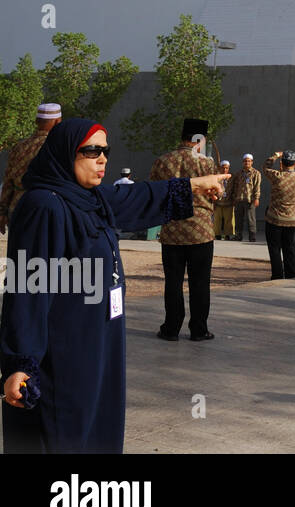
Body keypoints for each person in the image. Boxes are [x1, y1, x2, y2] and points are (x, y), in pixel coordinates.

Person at [0, 118, 227, 452]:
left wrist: (193, 184)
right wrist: (21, 363)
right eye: (91, 150)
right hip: (65, 351)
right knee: (65, 431)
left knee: (97, 430)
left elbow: (135, 196)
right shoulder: (44, 206)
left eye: (105, 150)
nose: (102, 158)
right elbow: (27, 290)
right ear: (65, 153)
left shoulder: (89, 199)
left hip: (99, 344)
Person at [150, 119, 219, 342]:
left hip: (172, 231)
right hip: (200, 231)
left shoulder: (163, 161)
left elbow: (154, 192)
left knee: (173, 282)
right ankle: (199, 330)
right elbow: (215, 194)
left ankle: (171, 329)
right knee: (200, 282)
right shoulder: (206, 163)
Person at [0, 102, 62, 234]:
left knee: (19, 252)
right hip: (45, 211)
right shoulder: (58, 147)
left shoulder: (19, 146)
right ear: (58, 122)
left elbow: (8, 180)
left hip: (16, 208)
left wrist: (2, 211)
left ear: (36, 121)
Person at [262, 150, 295, 279]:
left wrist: (275, 156)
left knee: (275, 248)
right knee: (290, 247)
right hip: (291, 220)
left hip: (274, 219)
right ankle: (292, 274)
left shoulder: (276, 176)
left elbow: (265, 167)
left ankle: (277, 275)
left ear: (282, 163)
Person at [229, 153, 261, 243]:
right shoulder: (238, 173)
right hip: (239, 199)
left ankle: (252, 237)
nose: (247, 162)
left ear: (252, 162)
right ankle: (238, 235)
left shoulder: (256, 173)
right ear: (243, 162)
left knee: (251, 219)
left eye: (249, 161)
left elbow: (257, 186)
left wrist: (257, 198)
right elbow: (235, 186)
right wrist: (234, 197)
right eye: (245, 161)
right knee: (238, 219)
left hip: (250, 199)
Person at [213, 159, 236, 240]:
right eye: (223, 168)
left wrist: (233, 200)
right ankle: (217, 234)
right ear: (220, 168)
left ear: (228, 168)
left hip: (228, 202)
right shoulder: (216, 177)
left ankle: (228, 235)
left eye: (226, 168)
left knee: (229, 220)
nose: (225, 170)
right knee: (217, 220)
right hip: (218, 202)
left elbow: (235, 188)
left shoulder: (232, 177)